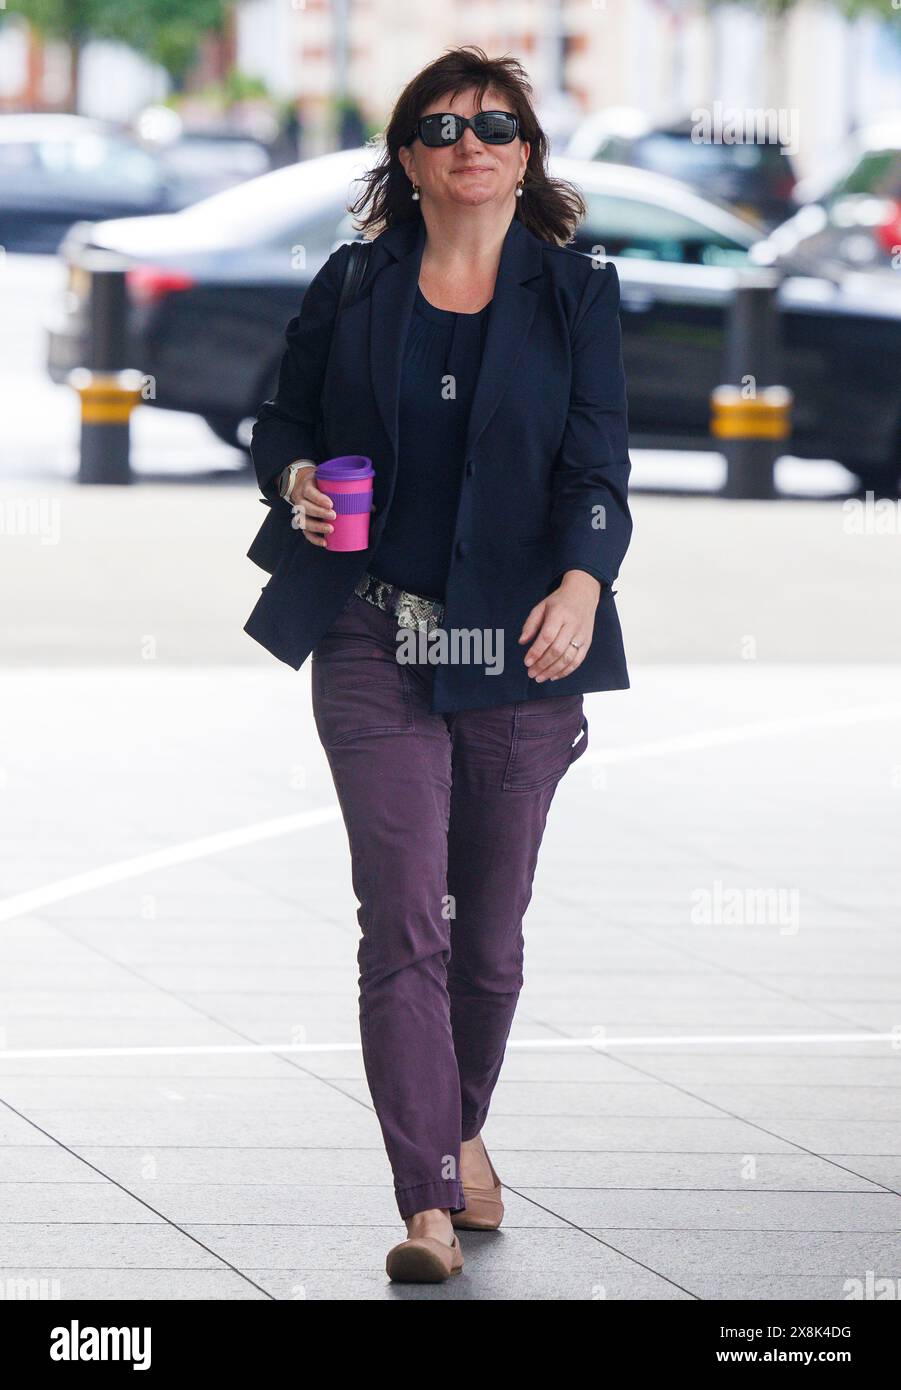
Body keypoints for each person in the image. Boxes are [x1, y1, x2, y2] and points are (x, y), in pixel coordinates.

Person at [245, 45, 632, 1283]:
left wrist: (582, 580)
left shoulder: (575, 295)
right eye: (443, 125)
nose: (472, 142)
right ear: (408, 158)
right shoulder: (355, 284)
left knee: (489, 938)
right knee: (402, 917)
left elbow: (599, 469)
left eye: (499, 126)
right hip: (371, 627)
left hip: (517, 642)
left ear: (528, 158)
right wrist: (299, 481)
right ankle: (424, 1202)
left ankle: (460, 1127)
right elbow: (283, 423)